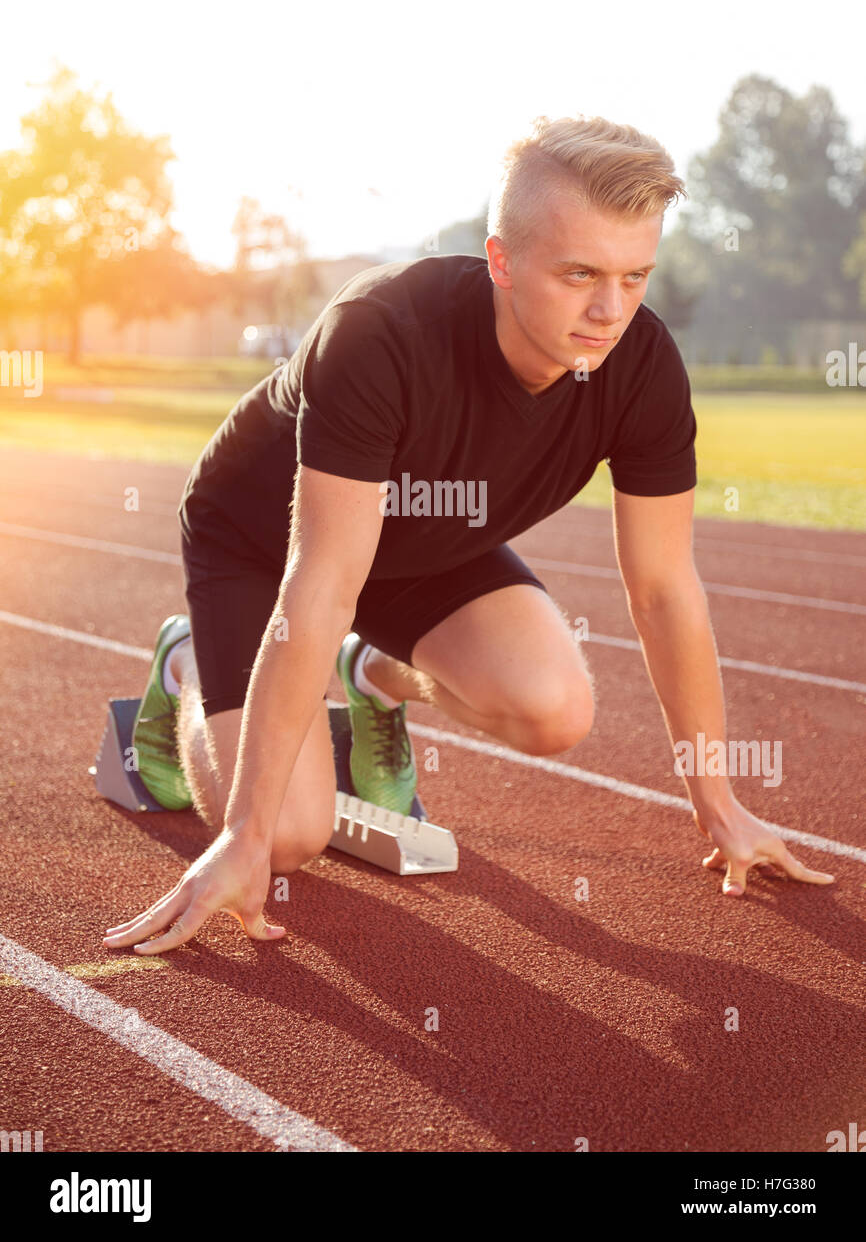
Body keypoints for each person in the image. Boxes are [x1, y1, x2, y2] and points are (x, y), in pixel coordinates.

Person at [103, 113, 834, 957]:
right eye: (579, 273)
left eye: (636, 277)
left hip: (423, 543)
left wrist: (721, 804)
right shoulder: (381, 331)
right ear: (501, 260)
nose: (609, 310)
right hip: (270, 544)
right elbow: (322, 580)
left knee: (556, 711)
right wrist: (243, 831)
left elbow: (665, 589)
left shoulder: (642, 367)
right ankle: (190, 658)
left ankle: (369, 672)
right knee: (289, 838)